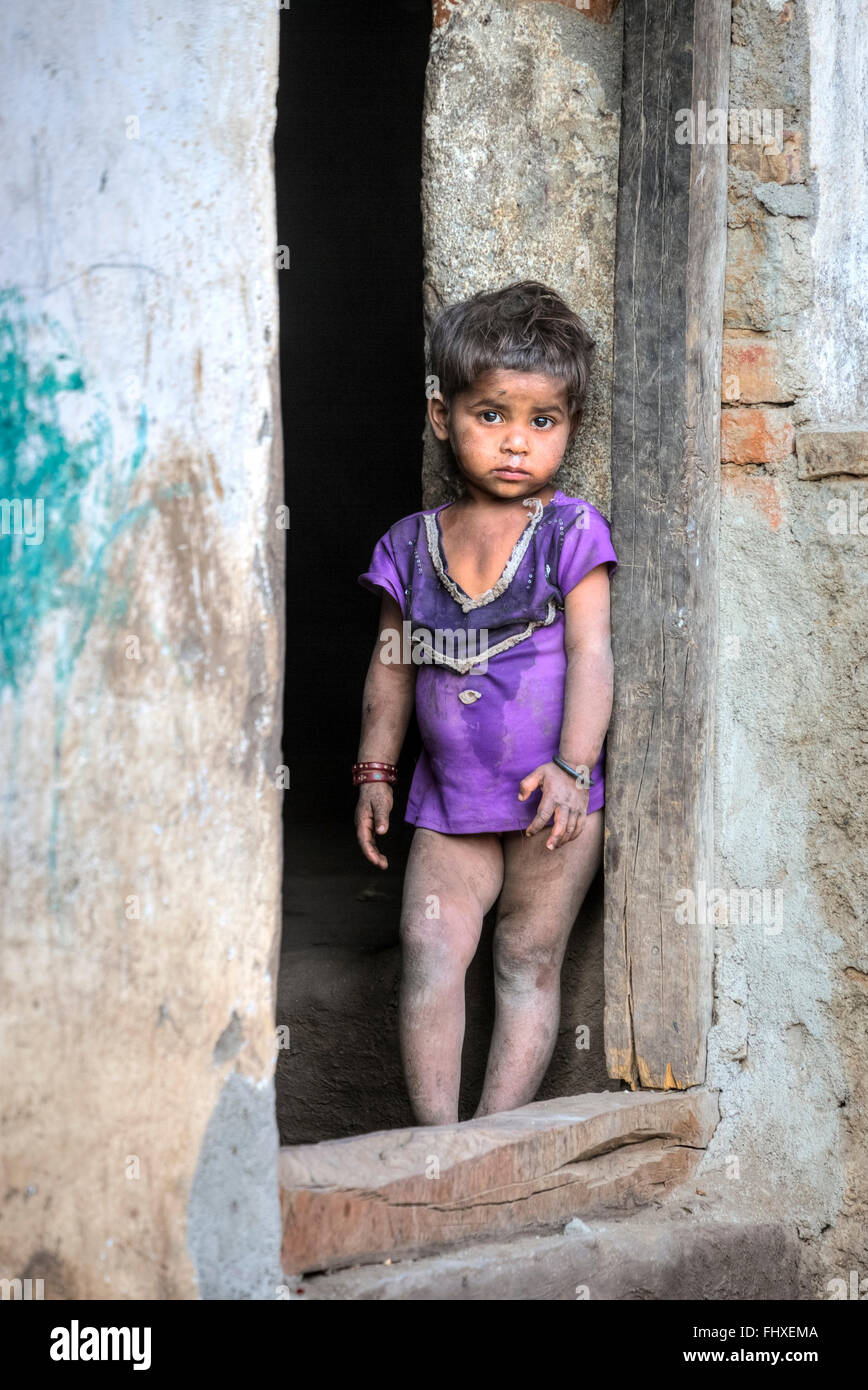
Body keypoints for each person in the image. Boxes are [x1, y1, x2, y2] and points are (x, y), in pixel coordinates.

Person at [354, 280, 618, 1126]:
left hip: (553, 804)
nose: (516, 443)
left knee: (524, 958)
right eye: (491, 414)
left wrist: (574, 767)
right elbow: (392, 664)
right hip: (448, 804)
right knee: (430, 950)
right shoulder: (410, 544)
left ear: (569, 428)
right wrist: (376, 770)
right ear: (442, 416)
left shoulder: (573, 533)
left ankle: (495, 1142)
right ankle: (438, 1144)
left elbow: (591, 652)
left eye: (543, 421)